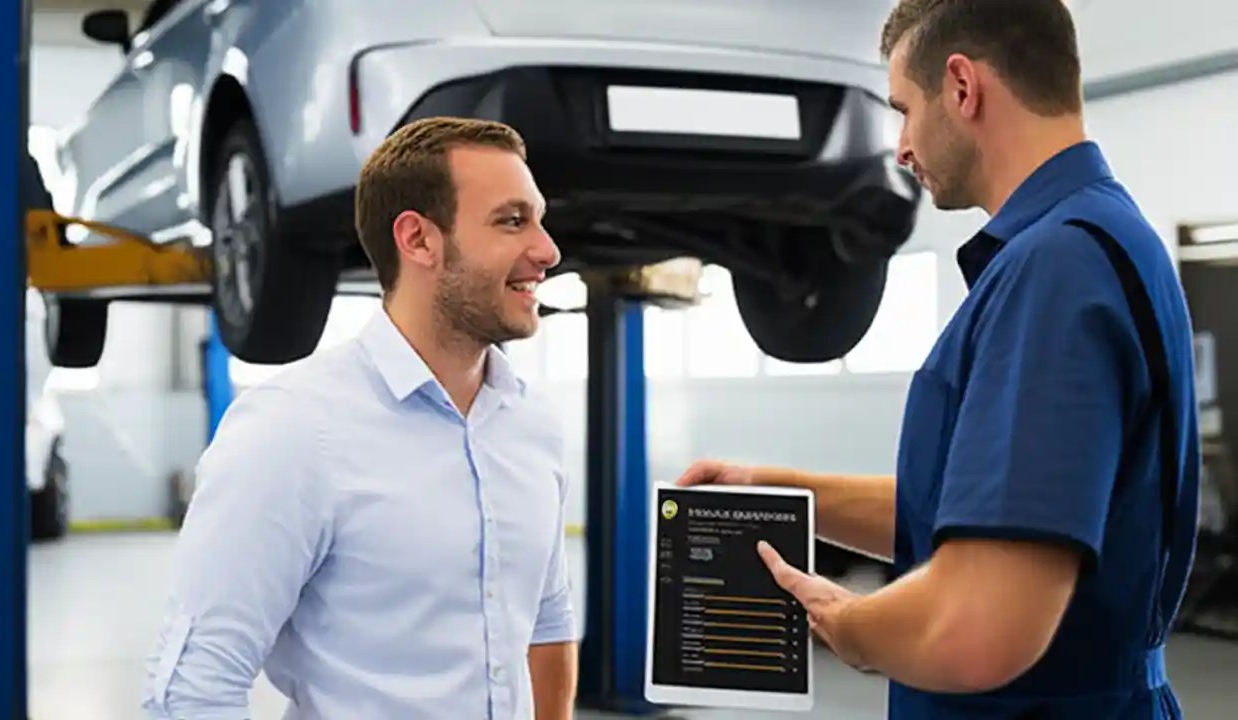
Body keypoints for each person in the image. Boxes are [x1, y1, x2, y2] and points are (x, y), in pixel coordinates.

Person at [678, 1, 1200, 717]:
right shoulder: (1098, 239)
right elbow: (996, 514)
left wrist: (848, 622)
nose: (900, 147)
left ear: (961, 86)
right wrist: (778, 491)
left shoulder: (1056, 270)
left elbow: (980, 625)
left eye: (904, 109)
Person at [141, 117, 578, 719]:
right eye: (511, 221)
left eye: (539, 218)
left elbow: (546, 622)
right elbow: (194, 687)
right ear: (419, 240)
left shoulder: (533, 423)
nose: (547, 250)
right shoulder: (293, 429)